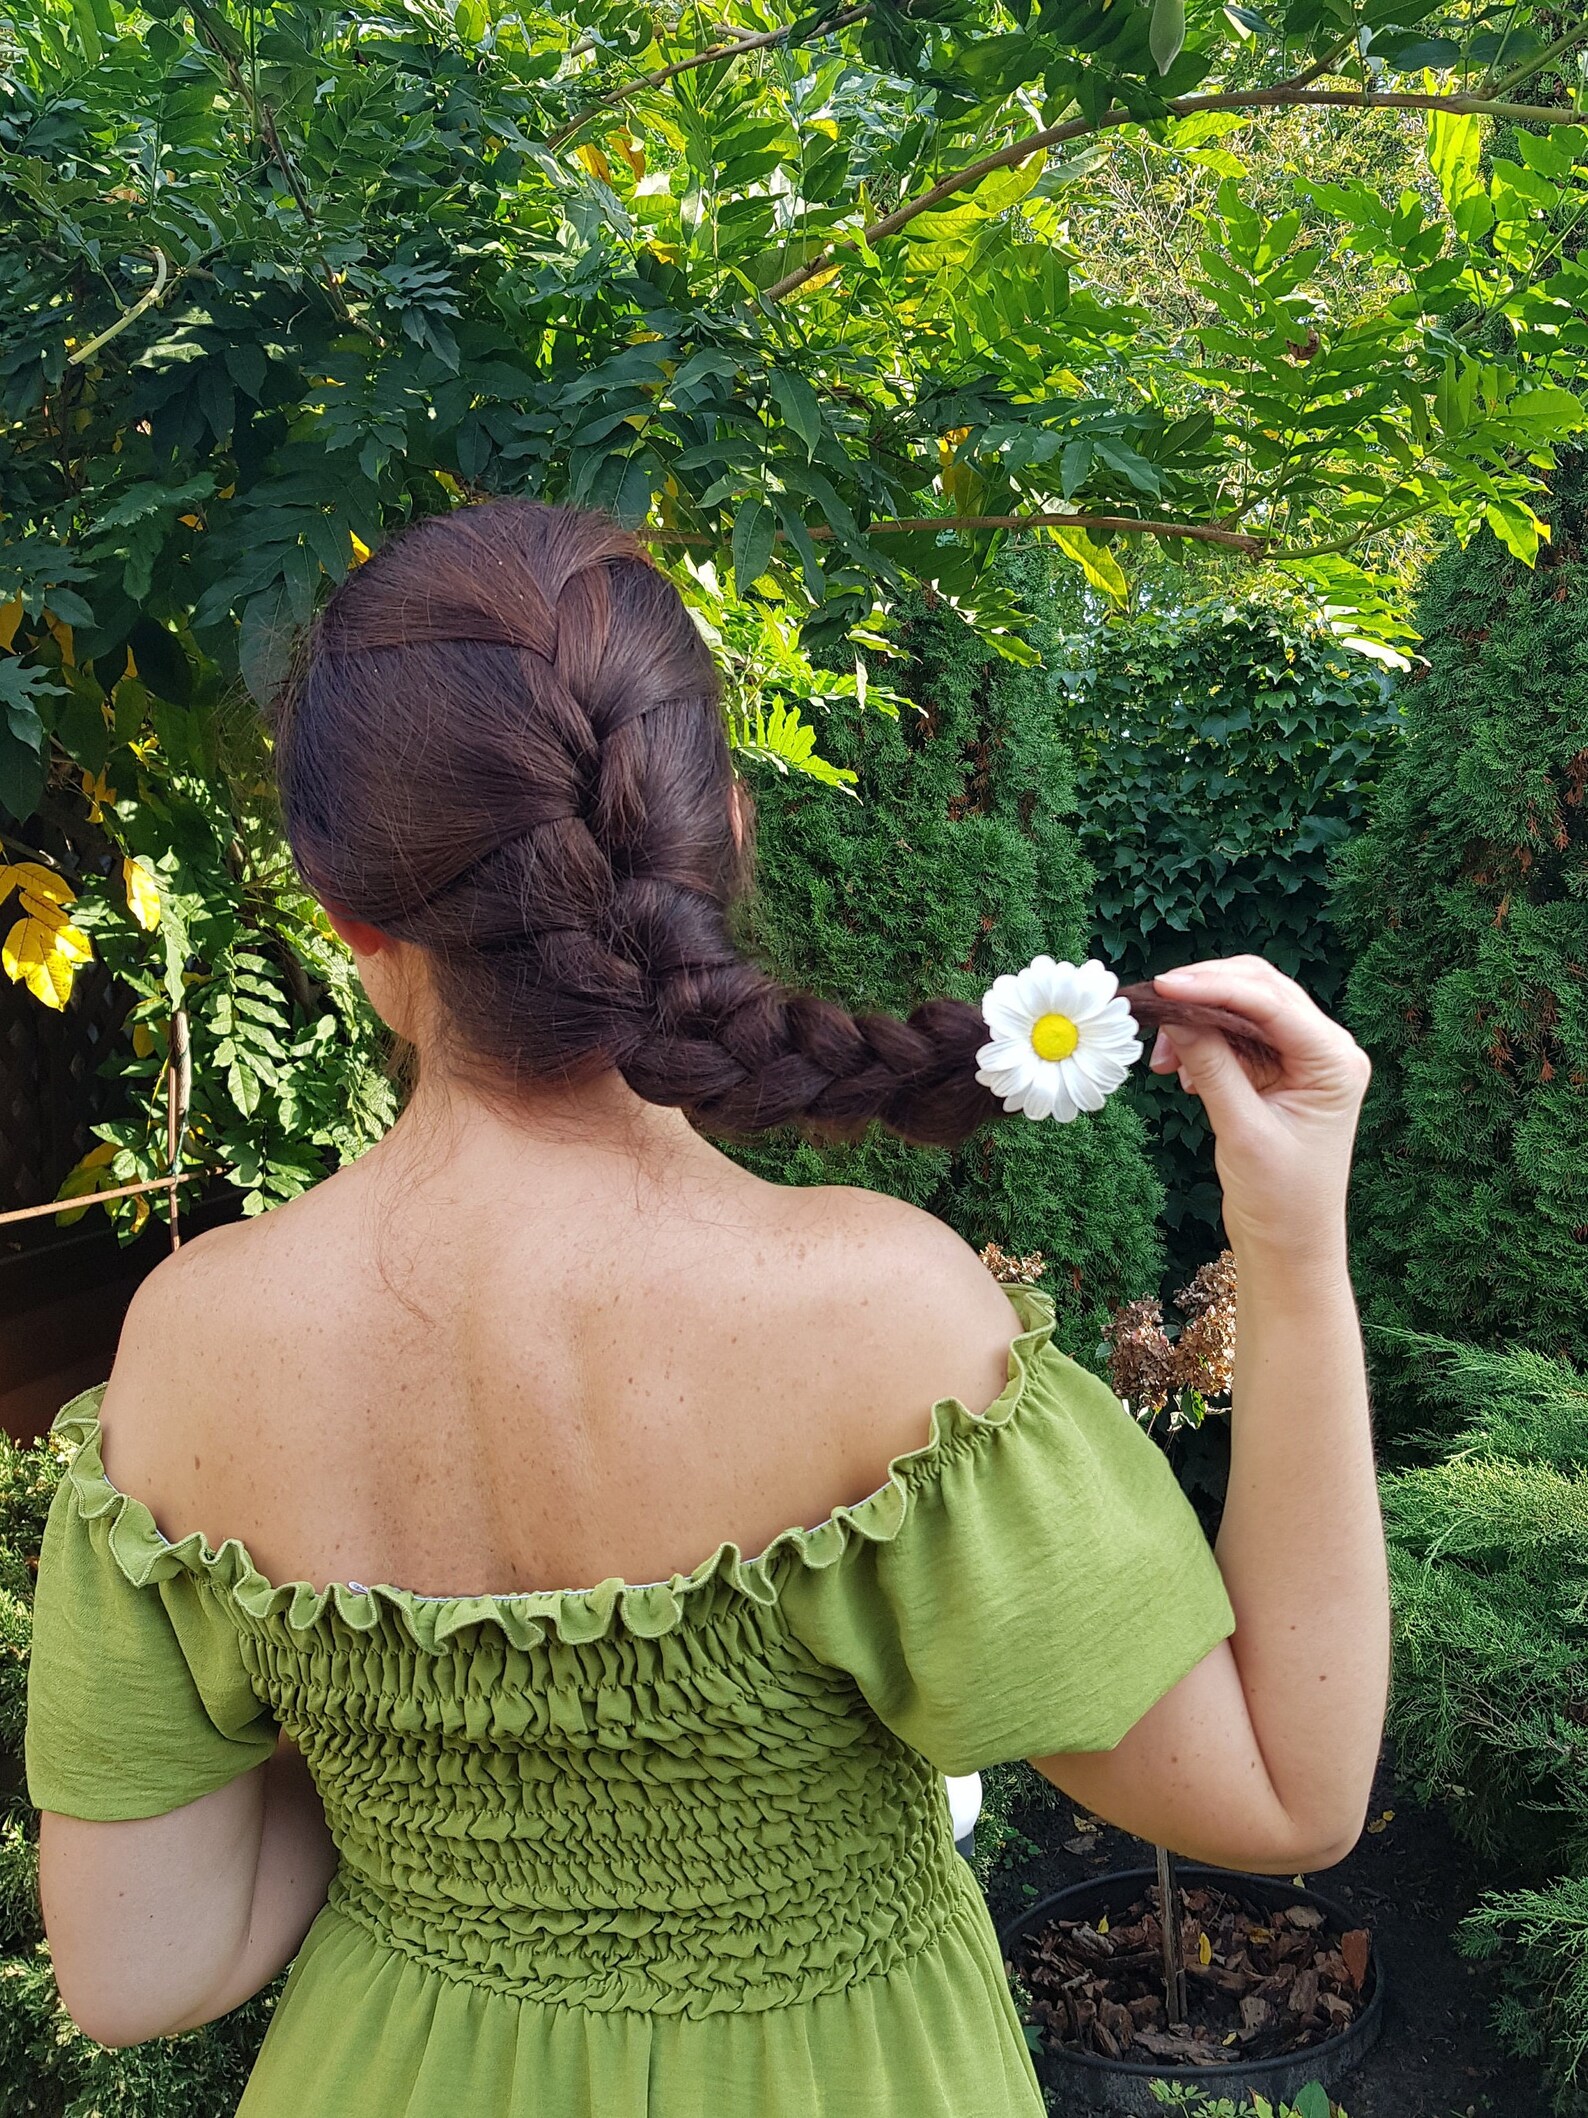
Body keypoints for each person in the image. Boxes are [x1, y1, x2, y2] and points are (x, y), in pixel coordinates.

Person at [26, 501, 1389, 2117]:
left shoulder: (189, 1348)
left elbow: (139, 1971)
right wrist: (1293, 1243)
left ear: (341, 902)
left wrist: (416, 1733)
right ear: (721, 831)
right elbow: (1290, 1788)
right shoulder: (880, 1319)